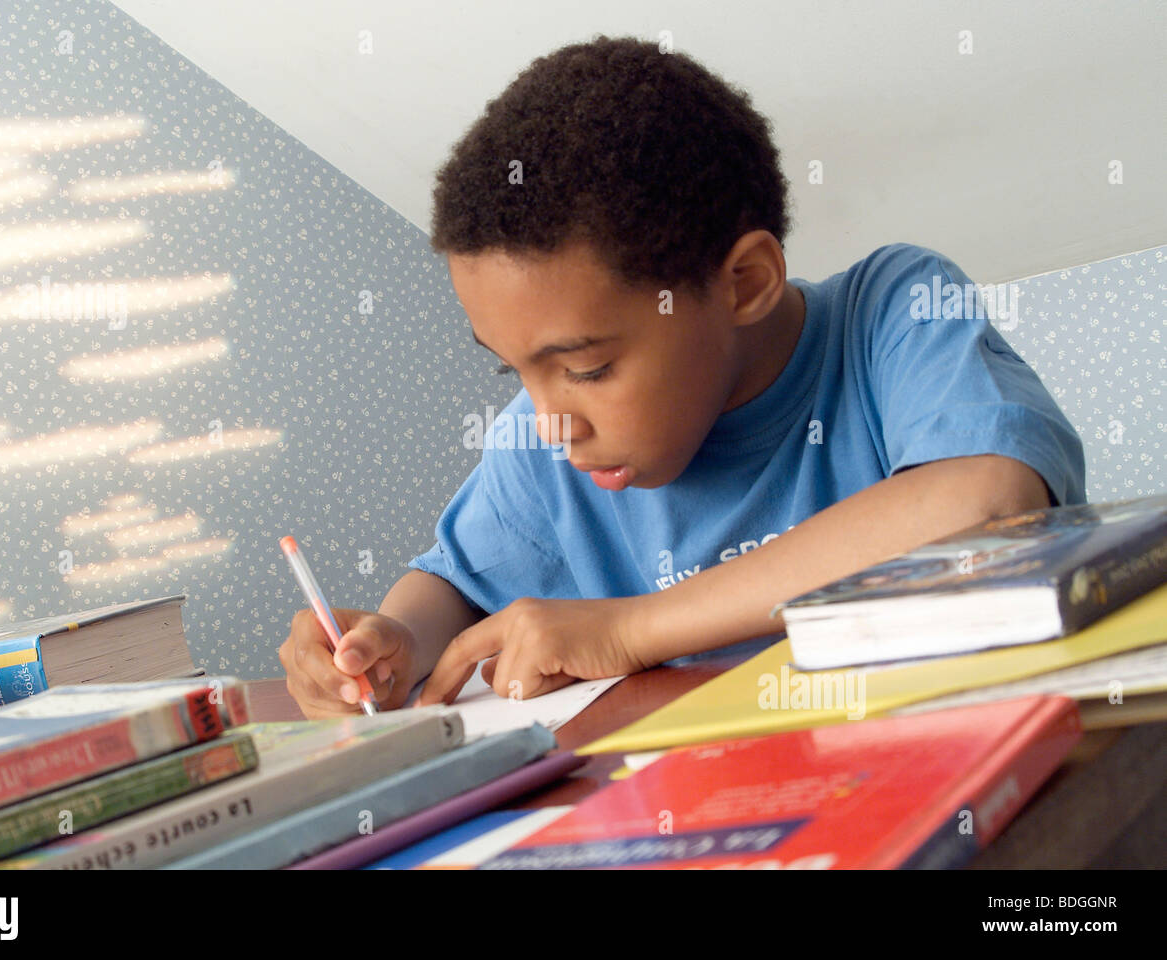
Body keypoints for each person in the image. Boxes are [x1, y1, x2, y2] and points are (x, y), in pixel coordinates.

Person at [279, 36, 1086, 717]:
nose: (551, 418)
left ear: (743, 283)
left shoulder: (890, 314)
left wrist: (631, 629)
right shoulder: (543, 437)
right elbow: (456, 581)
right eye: (511, 370)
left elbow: (987, 502)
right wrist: (393, 644)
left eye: (588, 368)